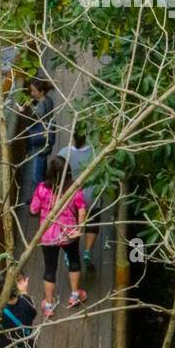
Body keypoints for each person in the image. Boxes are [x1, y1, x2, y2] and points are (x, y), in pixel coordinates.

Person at [30, 155, 87, 318]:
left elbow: (34, 210)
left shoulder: (42, 188)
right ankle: (75, 295)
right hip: (69, 232)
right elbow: (82, 209)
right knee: (74, 260)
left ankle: (48, 304)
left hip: (48, 236)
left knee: (50, 268)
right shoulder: (74, 188)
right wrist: (79, 228)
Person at [60, 126, 99, 268]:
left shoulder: (64, 153)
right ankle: (87, 250)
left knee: (73, 223)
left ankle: (70, 252)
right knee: (92, 223)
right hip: (91, 193)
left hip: (72, 196)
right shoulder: (95, 152)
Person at [27, 77, 56, 186]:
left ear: (42, 92)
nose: (32, 93)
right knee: (42, 168)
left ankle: (39, 197)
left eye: (34, 91)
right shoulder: (48, 101)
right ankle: (43, 193)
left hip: (40, 143)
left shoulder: (41, 107)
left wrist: (26, 109)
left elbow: (33, 120)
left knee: (36, 176)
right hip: (47, 140)